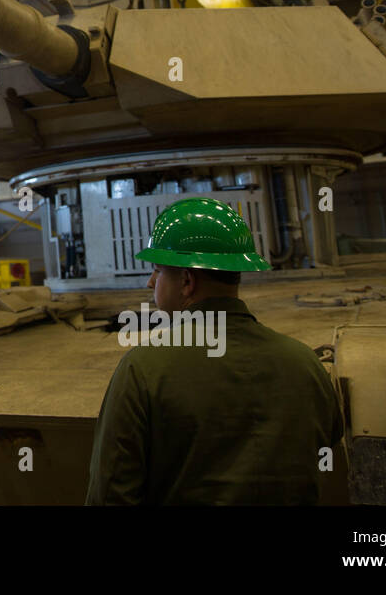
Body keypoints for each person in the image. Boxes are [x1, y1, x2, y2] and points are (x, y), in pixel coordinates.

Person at [86, 197, 345, 505]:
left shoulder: (143, 368)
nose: (150, 281)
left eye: (157, 270)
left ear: (186, 280)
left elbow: (111, 493)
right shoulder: (306, 363)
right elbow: (326, 449)